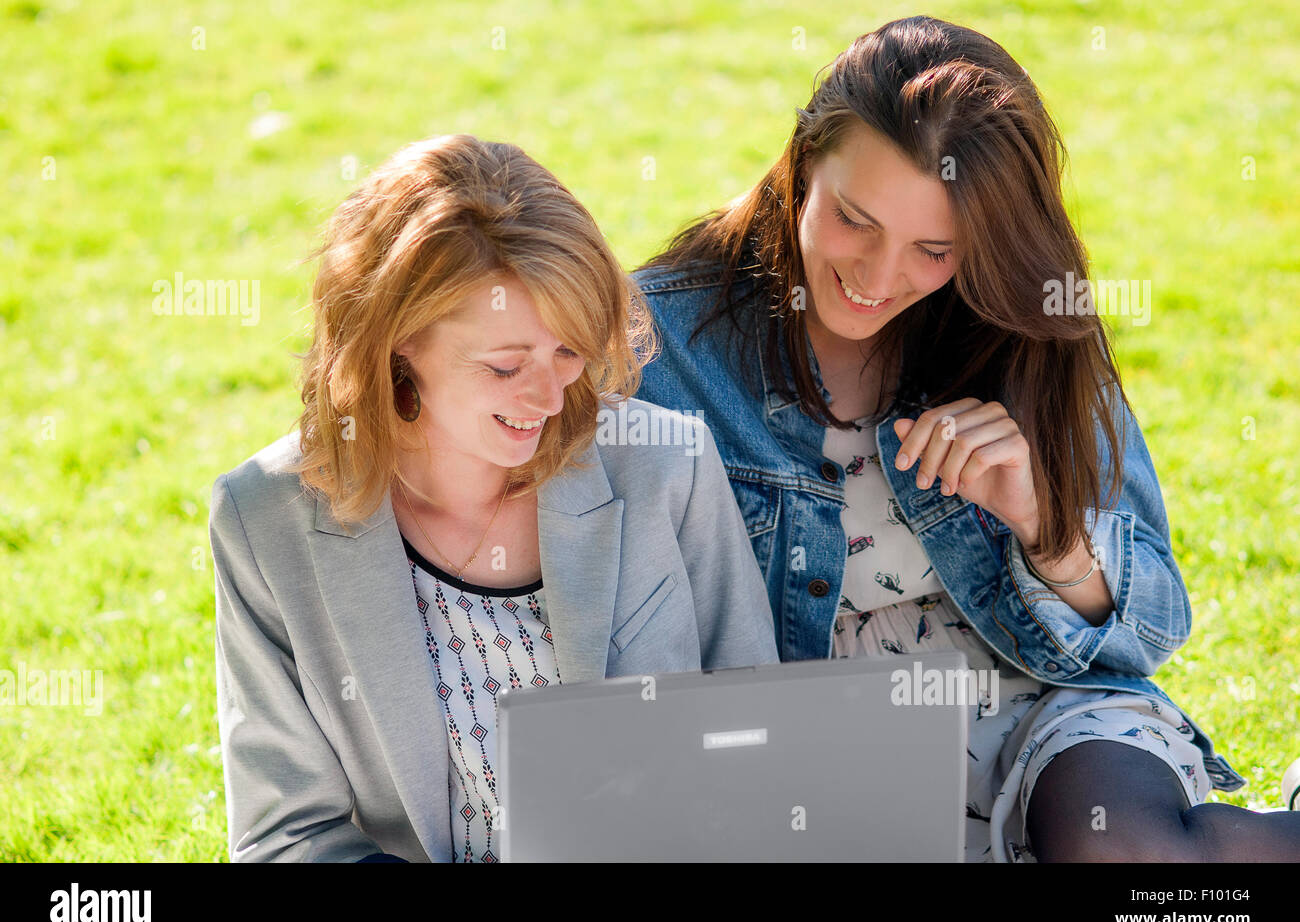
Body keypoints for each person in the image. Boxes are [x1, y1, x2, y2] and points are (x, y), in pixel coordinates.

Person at [633, 16, 1300, 861]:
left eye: (933, 248)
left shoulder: (1024, 328)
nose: (877, 277)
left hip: (1035, 701)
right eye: (853, 218)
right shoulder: (658, 342)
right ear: (805, 163)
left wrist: (1046, 528)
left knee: (1132, 860)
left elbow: (1150, 630)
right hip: (811, 754)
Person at [210, 133, 778, 863]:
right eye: (506, 365)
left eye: (569, 350)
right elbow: (287, 834)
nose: (551, 397)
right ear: (396, 341)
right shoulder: (263, 519)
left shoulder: (665, 463)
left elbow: (758, 733)